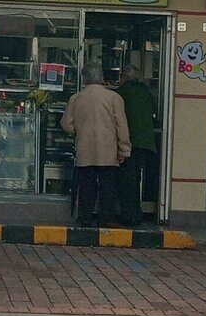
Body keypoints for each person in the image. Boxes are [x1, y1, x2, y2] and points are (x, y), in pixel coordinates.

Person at [62, 62, 131, 228]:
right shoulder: (114, 98)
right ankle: (106, 218)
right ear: (101, 78)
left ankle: (85, 217)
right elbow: (122, 126)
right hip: (108, 150)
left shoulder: (76, 98)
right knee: (108, 185)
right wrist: (124, 149)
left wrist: (78, 131)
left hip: (85, 149)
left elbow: (66, 124)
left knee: (86, 185)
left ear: (84, 79)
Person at [116, 67, 157, 228]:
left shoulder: (122, 91)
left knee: (127, 181)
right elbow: (152, 111)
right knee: (135, 179)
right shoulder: (146, 92)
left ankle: (131, 215)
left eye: (121, 76)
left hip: (131, 141)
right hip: (147, 143)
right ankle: (136, 212)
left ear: (125, 77)